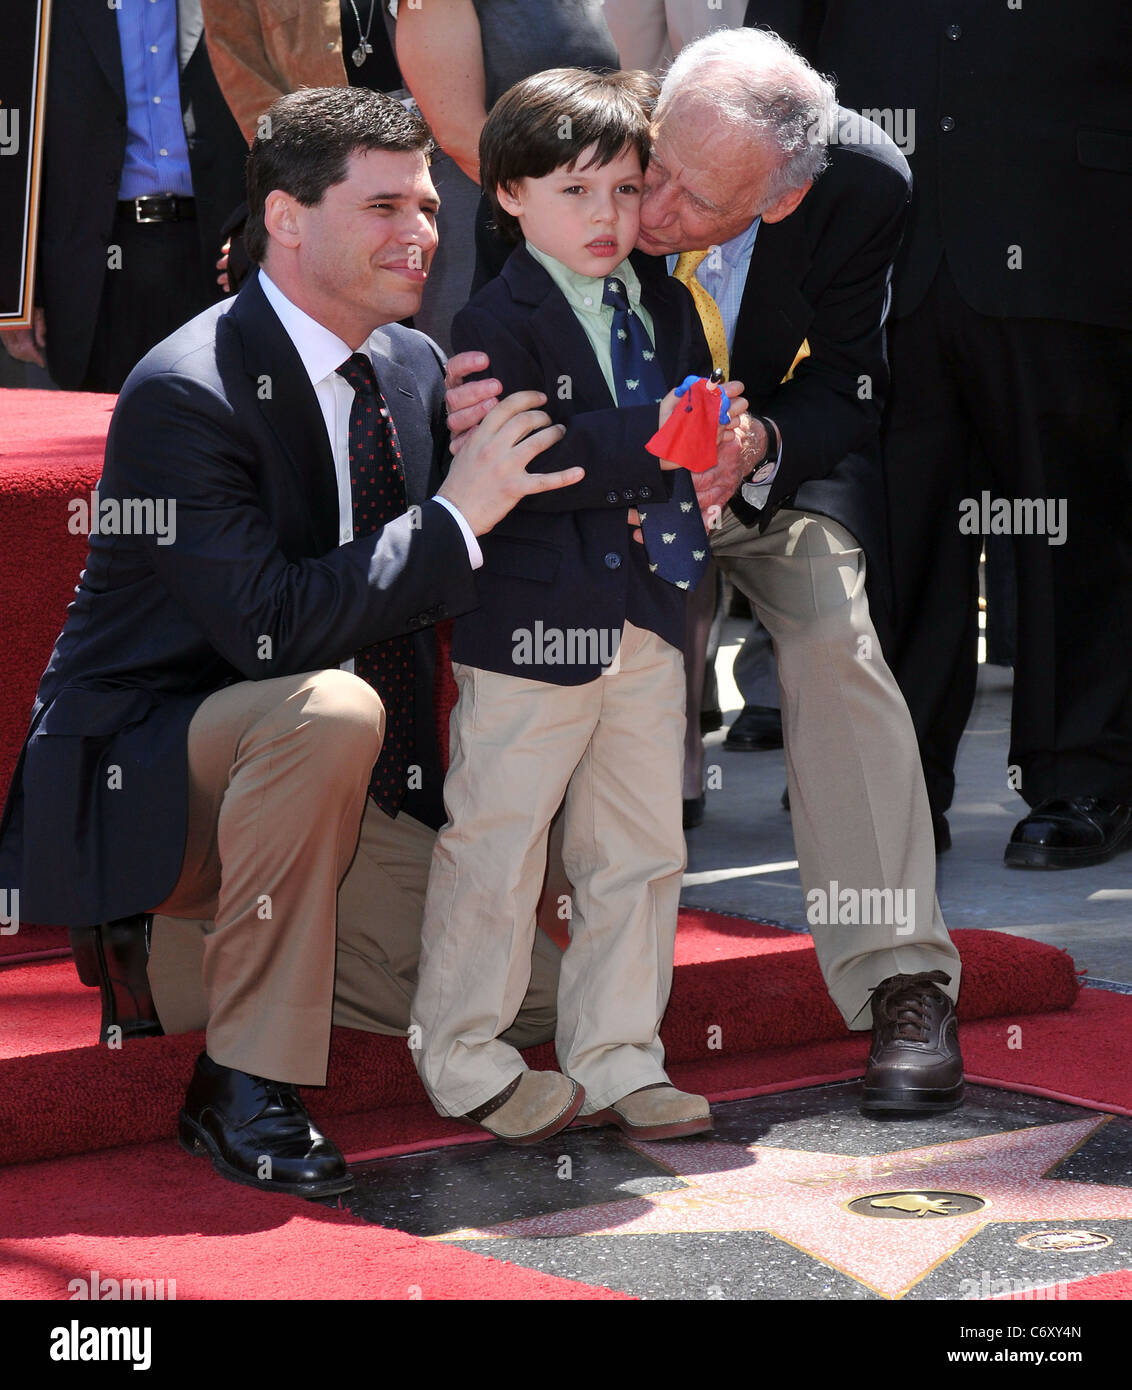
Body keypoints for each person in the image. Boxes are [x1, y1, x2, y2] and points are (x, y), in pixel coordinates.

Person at [0, 86, 583, 1198]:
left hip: (335, 791)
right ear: (284, 218)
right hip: (158, 772)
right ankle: (241, 1081)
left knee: (543, 999)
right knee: (325, 706)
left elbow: (430, 581)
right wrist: (459, 513)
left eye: (424, 205)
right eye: (380, 208)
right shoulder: (187, 390)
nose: (418, 233)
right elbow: (271, 625)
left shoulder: (410, 367)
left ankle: (181, 961)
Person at [448, 27, 966, 1116]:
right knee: (577, 689)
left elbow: (854, 387)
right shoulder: (603, 151)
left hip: (765, 471)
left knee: (835, 638)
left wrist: (757, 445)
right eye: (655, 169)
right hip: (598, 486)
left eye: (689, 198)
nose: (648, 208)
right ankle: (519, 1003)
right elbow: (507, 322)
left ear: (775, 203)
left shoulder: (858, 184)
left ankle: (900, 979)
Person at [410, 69, 745, 1145]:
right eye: (572, 191)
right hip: (530, 630)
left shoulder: (663, 302)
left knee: (639, 852)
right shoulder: (489, 316)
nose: (606, 217)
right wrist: (664, 437)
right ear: (506, 194)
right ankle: (462, 1056)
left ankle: (617, 1055)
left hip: (649, 614)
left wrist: (696, 437)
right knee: (497, 846)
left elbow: (708, 422)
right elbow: (533, 458)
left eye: (622, 188)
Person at [744, 0, 1132, 867]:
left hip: (1072, 236)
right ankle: (896, 778)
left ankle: (1083, 776)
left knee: (1072, 529)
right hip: (876, 257)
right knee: (893, 534)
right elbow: (768, 59)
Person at [0, 0, 246, 392]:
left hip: (219, 254)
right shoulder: (44, 8)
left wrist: (257, 230)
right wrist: (15, 292)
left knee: (221, 432)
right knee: (95, 440)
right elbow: (11, 123)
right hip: (90, 272)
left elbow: (278, 106)